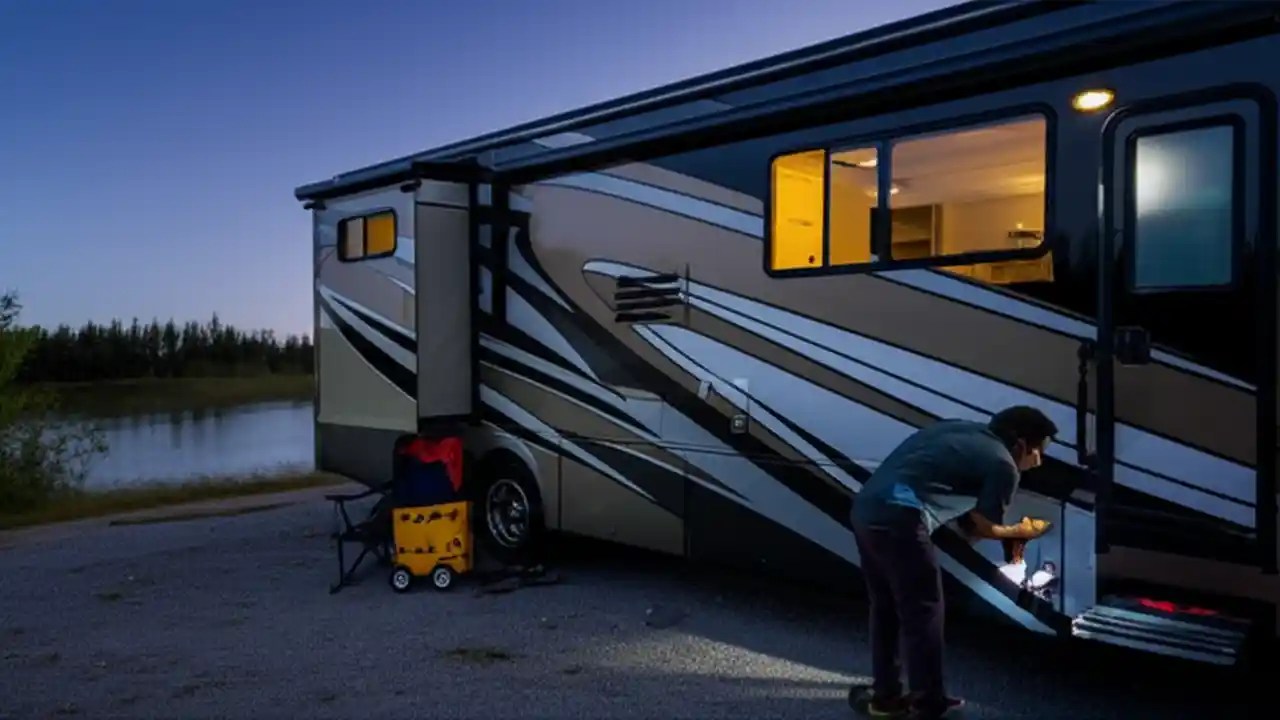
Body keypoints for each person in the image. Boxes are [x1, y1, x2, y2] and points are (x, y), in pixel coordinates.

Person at [847, 406, 1058, 719]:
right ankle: (928, 703)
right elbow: (982, 527)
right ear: (1020, 444)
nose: (1038, 460)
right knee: (924, 611)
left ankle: (885, 696)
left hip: (865, 509)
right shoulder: (1004, 465)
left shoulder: (957, 428)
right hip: (901, 518)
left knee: (887, 607)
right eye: (1038, 450)